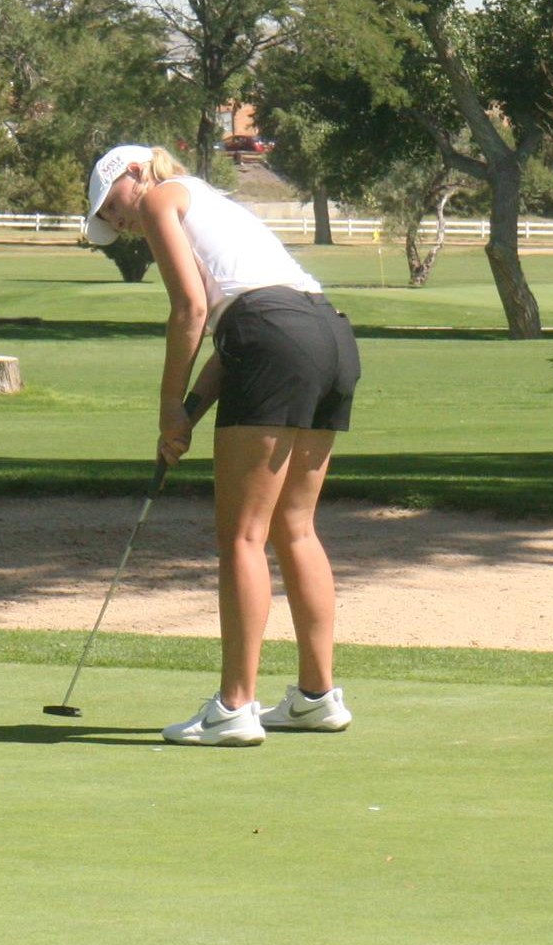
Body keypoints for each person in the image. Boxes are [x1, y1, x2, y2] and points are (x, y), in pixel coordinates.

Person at [83, 144, 361, 746]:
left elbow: (192, 309)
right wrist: (189, 413)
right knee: (296, 527)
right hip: (328, 334)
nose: (118, 223)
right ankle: (317, 698)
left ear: (134, 174)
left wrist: (165, 407)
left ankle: (235, 707)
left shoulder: (163, 195)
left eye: (112, 206)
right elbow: (238, 335)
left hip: (271, 334)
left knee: (243, 534)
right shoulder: (215, 204)